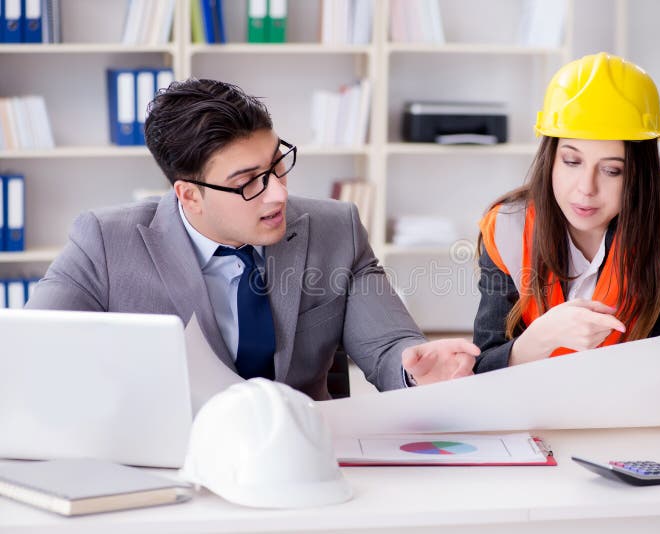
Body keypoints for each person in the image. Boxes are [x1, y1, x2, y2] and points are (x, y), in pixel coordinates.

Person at [26, 78, 479, 400]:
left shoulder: (335, 227)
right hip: (169, 467)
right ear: (189, 195)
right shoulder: (105, 243)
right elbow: (32, 354)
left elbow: (388, 347)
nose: (279, 193)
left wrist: (416, 368)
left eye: (278, 164)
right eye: (248, 181)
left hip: (301, 462)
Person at [472, 52, 660, 416]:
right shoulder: (507, 228)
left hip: (626, 427)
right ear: (550, 157)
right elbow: (480, 373)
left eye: (612, 171)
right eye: (571, 162)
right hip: (528, 421)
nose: (586, 188)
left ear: (639, 174)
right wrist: (540, 338)